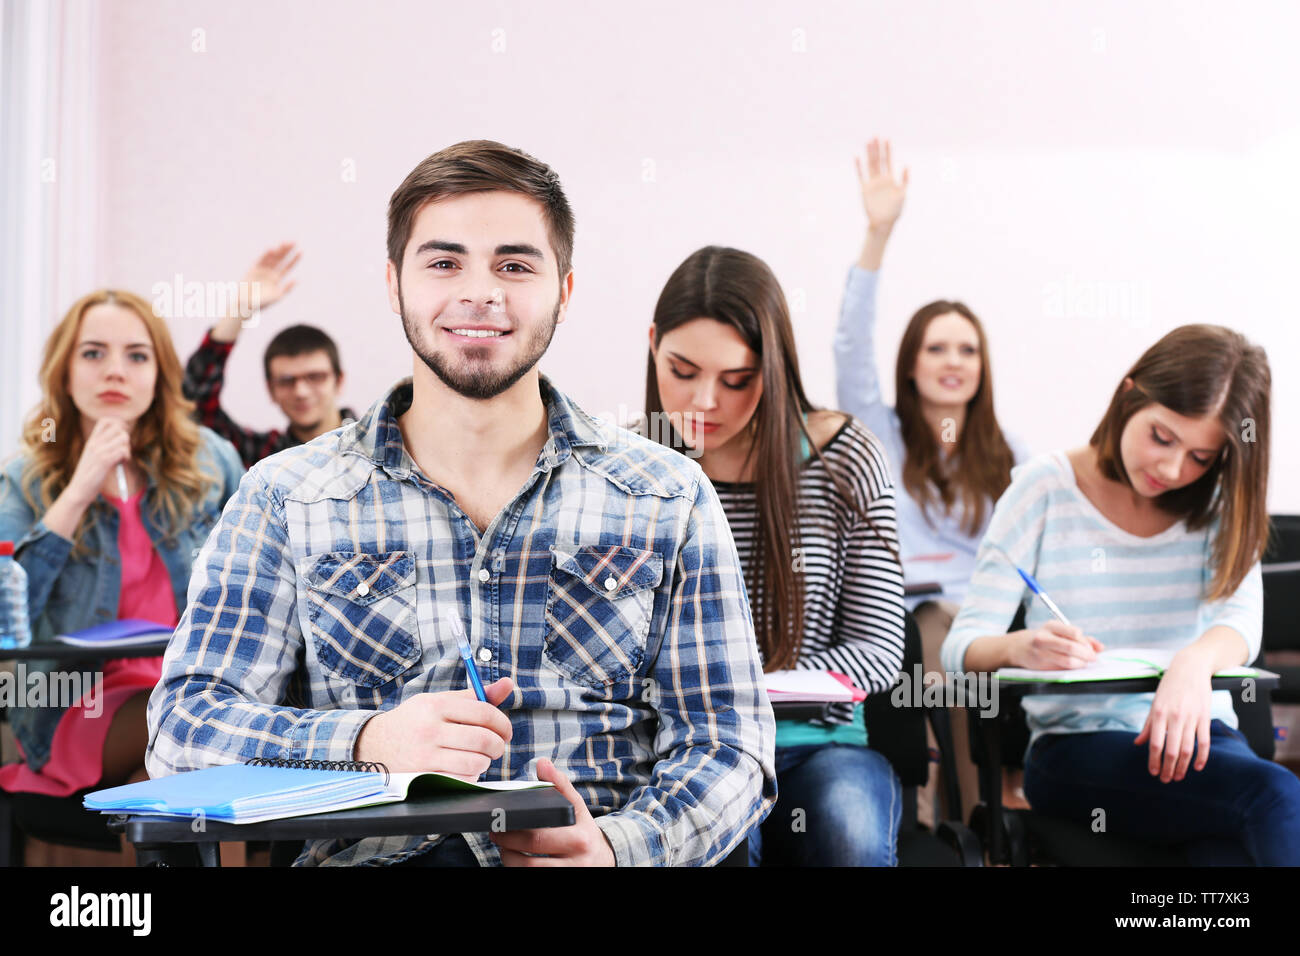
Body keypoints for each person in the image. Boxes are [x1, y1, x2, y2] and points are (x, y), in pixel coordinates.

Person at [145, 140, 777, 867]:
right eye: (444, 263)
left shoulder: (668, 495)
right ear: (394, 285)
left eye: (514, 264)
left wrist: (617, 847)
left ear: (564, 292)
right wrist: (364, 743)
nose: (481, 293)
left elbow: (729, 745)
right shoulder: (285, 497)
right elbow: (183, 731)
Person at [941, 324, 1300, 864]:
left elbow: (1242, 624)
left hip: (1202, 744)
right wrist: (1019, 648)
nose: (1173, 469)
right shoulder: (1044, 489)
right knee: (1275, 798)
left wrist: (1193, 664)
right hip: (1077, 753)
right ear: (1130, 393)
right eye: (1162, 437)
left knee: (1226, 861)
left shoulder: (1222, 501)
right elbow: (960, 646)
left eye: (1201, 456)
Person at [645, 245, 906, 865]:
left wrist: (748, 690)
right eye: (682, 370)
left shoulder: (845, 458)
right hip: (683, 751)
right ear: (652, 343)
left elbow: (879, 649)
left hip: (819, 743)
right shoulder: (633, 470)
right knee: (721, 848)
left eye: (736, 381)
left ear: (777, 367)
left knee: (849, 836)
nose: (705, 402)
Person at [0, 289, 244, 861]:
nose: (115, 370)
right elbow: (5, 621)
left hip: (192, 687)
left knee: (164, 794)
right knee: (198, 741)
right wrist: (80, 489)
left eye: (136, 355)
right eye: (93, 353)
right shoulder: (28, 477)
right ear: (64, 370)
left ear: (159, 373)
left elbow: (260, 583)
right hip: (81, 702)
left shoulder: (209, 460)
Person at [834, 138, 1027, 819]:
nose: (953, 361)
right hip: (900, 618)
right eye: (936, 347)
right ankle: (920, 817)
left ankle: (980, 822)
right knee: (927, 636)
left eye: (967, 349)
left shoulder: (1008, 454)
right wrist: (877, 233)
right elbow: (850, 345)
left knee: (958, 638)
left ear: (983, 367)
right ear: (910, 364)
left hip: (983, 624)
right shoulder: (878, 431)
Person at [181, 242, 357, 469]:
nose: (301, 392)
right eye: (286, 381)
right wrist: (240, 311)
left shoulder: (379, 441)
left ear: (339, 381)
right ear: (270, 390)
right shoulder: (266, 458)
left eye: (315, 377)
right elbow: (193, 402)